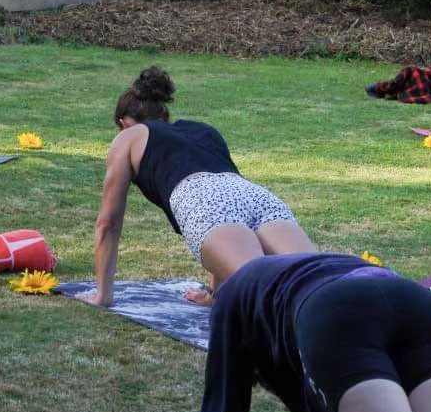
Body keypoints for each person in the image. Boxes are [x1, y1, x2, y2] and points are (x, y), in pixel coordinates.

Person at [85, 66, 315, 307]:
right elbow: (229, 204)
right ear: (164, 115)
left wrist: (103, 295)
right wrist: (215, 295)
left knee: (259, 290)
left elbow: (108, 223)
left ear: (124, 123)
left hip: (201, 199)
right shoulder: (202, 130)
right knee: (313, 278)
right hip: (255, 196)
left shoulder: (129, 136)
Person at [203, 252, 431, 412]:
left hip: (335, 310)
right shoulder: (270, 282)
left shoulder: (232, 300)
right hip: (416, 301)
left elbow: (223, 407)